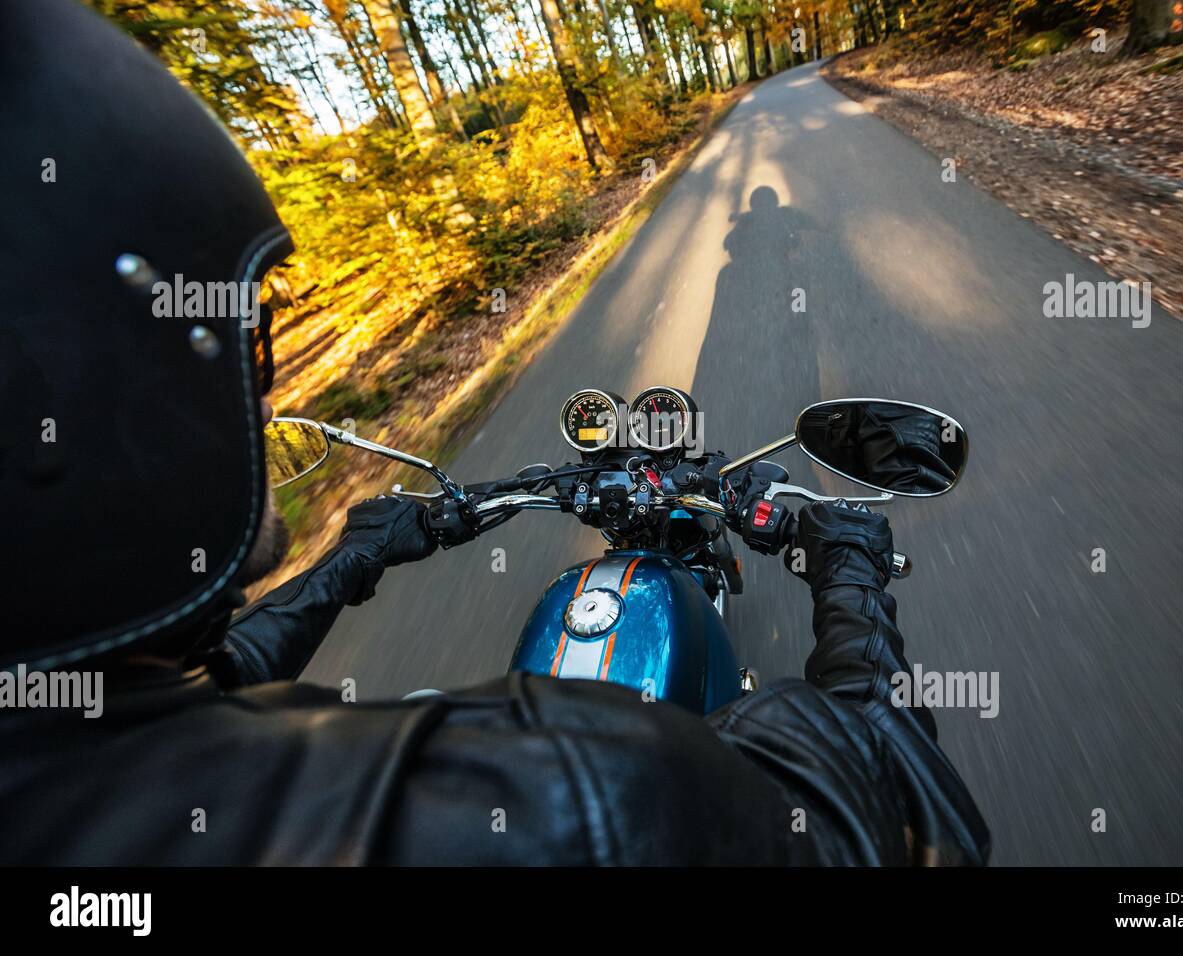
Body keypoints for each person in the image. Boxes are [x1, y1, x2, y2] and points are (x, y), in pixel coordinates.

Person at [0, 0, 989, 865]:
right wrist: (849, 576)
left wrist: (351, 560)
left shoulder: (66, 758)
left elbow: (206, 688)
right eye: (251, 351)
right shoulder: (582, 796)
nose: (262, 401)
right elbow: (901, 813)